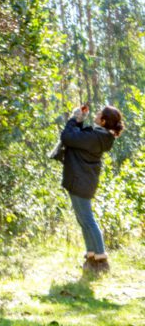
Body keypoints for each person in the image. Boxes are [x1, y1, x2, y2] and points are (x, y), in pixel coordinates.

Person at [59, 104, 125, 274]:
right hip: (82, 180)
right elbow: (77, 138)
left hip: (80, 181)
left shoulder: (96, 137)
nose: (95, 114)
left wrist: (74, 119)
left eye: (99, 114)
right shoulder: (99, 136)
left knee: (88, 221)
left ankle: (101, 260)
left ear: (103, 121)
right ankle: (92, 258)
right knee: (84, 221)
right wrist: (79, 122)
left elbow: (67, 137)